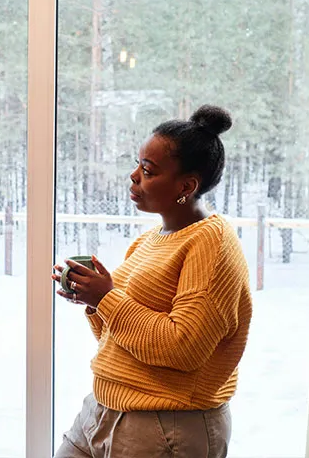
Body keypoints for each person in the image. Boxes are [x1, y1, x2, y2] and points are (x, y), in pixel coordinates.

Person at [52, 105, 252, 458]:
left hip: (166, 424)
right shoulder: (148, 241)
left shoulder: (211, 241)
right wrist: (95, 301)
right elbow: (121, 338)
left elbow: (183, 348)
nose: (134, 176)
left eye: (147, 170)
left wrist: (109, 299)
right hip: (102, 410)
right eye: (137, 164)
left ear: (186, 186)